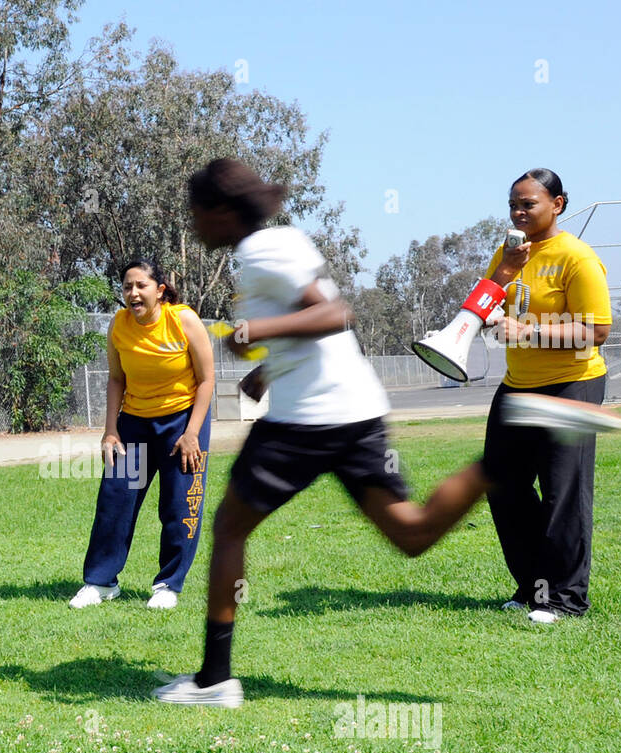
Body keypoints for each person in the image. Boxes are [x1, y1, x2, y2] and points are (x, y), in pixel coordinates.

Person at [154, 158, 498, 708]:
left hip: (306, 422)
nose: (193, 225)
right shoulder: (278, 244)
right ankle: (504, 462)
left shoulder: (263, 250)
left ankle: (215, 679)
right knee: (410, 534)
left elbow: (336, 314)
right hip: (353, 409)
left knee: (228, 527)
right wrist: (264, 370)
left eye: (196, 213)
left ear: (220, 211)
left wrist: (255, 331)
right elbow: (314, 330)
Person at [482, 169, 611, 623]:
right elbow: (485, 306)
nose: (518, 212)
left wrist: (527, 331)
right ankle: (533, 585)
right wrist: (500, 282)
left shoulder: (576, 256)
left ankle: (565, 599)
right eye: (513, 204)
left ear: (557, 204)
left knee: (563, 493)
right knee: (503, 485)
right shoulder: (510, 251)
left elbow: (596, 332)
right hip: (518, 385)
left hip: (572, 384)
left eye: (528, 204)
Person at [70, 261, 215, 610]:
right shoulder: (118, 325)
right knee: (115, 499)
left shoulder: (182, 320)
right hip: (134, 422)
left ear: (159, 290)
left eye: (141, 286)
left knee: (179, 506)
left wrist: (192, 433)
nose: (133, 293)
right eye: (126, 287)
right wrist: (110, 430)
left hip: (182, 422)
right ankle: (101, 582)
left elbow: (207, 379)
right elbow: (116, 378)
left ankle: (168, 584)